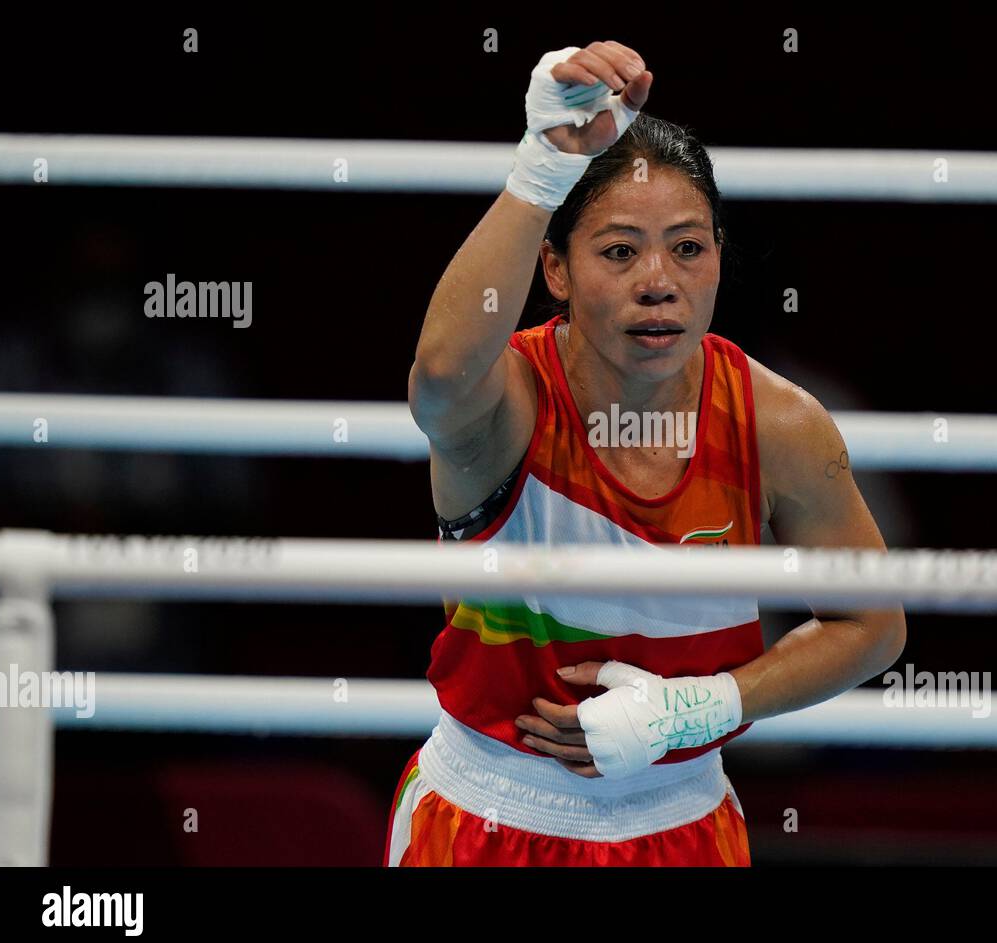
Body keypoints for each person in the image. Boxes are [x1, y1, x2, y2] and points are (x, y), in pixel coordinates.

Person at [385, 40, 906, 866]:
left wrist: (704, 708)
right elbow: (440, 374)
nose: (659, 280)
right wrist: (541, 166)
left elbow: (873, 626)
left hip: (685, 823)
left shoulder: (779, 423)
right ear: (554, 267)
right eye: (620, 250)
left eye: (689, 248)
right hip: (485, 818)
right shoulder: (511, 402)